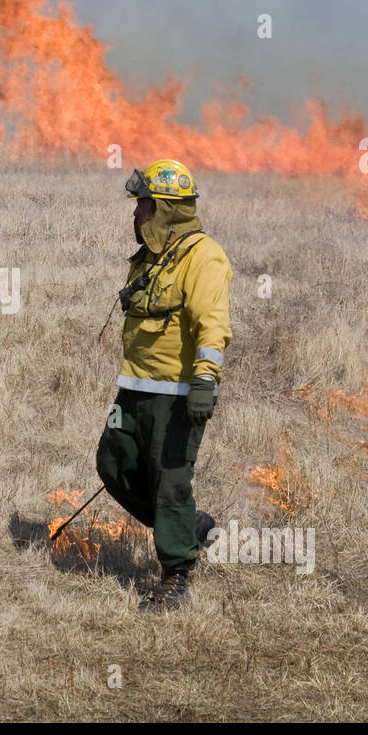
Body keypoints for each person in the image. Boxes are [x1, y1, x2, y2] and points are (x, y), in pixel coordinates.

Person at [96, 159, 233, 612]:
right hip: (133, 388)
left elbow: (212, 324)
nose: (137, 214)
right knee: (113, 462)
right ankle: (190, 527)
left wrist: (204, 382)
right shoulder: (150, 257)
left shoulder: (204, 256)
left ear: (168, 211)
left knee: (170, 483)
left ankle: (176, 576)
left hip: (177, 395)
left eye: (145, 206)